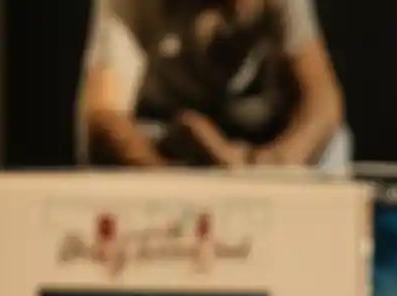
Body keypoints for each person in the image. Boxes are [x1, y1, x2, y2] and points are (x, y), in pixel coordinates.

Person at [79, 0, 349, 171]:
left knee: (333, 145)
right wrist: (168, 181)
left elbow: (323, 101)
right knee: (104, 147)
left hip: (262, 143)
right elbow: (104, 115)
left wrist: (277, 163)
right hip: (169, 145)